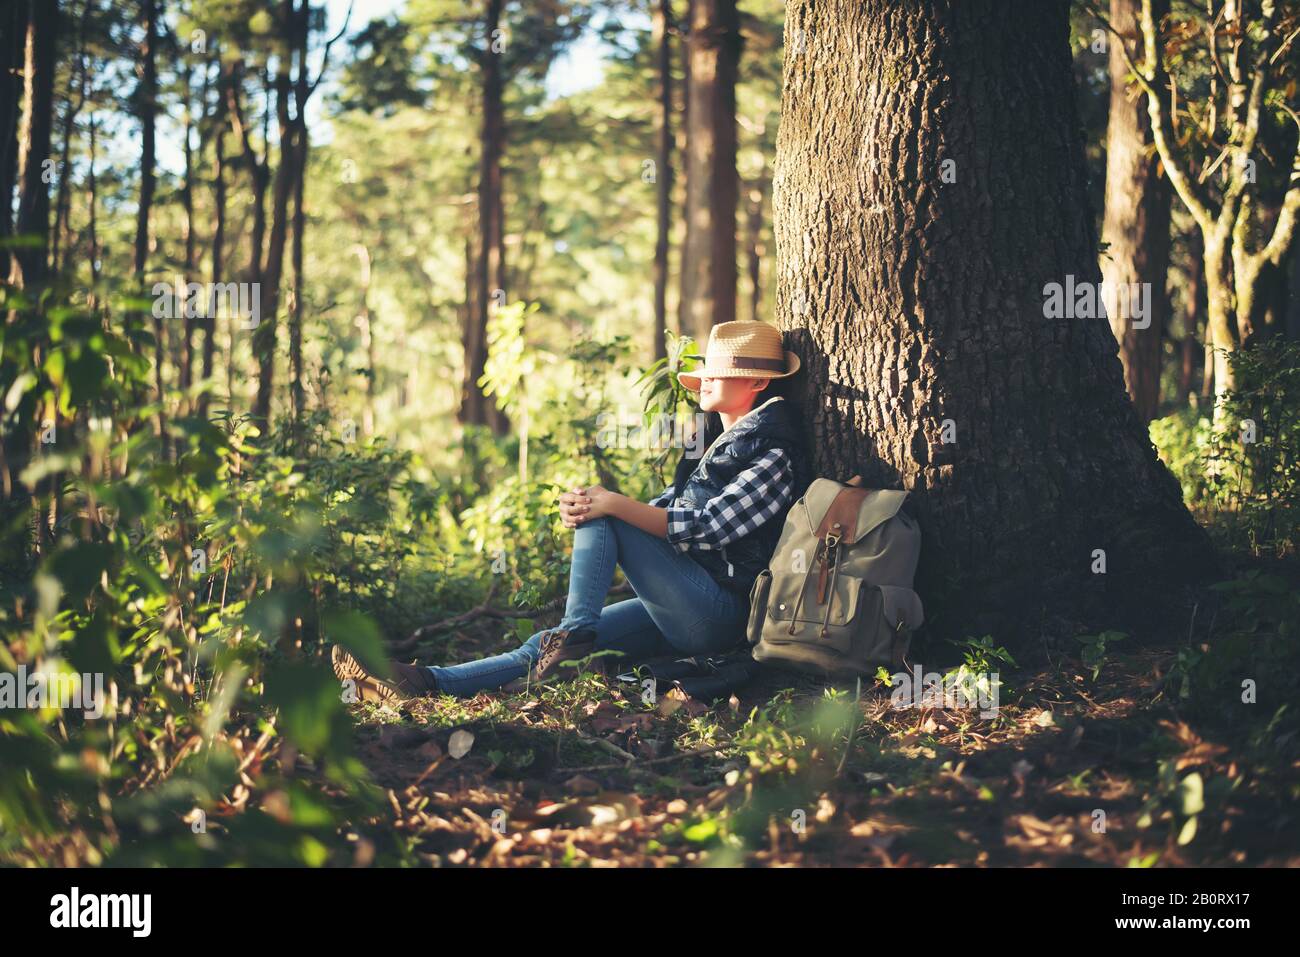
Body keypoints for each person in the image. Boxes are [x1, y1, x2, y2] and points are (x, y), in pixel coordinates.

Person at [331, 319, 811, 703]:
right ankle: (426, 682)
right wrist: (593, 505)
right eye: (705, 369)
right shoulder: (715, 442)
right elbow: (666, 510)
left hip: (721, 614)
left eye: (718, 371)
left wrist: (612, 506)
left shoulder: (773, 451)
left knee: (607, 515)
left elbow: (708, 527)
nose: (704, 378)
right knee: (542, 641)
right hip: (687, 601)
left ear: (758, 380)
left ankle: (574, 634)